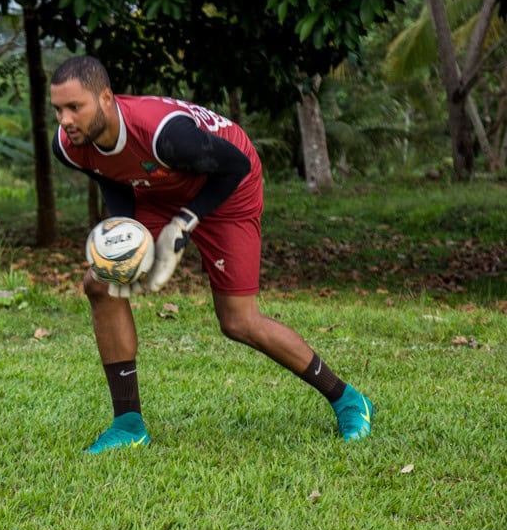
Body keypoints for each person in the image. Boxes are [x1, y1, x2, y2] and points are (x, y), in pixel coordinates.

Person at [49, 55, 374, 454]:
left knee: (238, 322)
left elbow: (234, 167)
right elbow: (109, 173)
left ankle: (347, 398)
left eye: (74, 107)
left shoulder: (164, 134)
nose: (64, 119)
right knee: (100, 283)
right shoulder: (69, 145)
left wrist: (183, 224)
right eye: (58, 109)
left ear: (104, 98)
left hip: (227, 189)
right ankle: (128, 424)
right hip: (157, 186)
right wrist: (130, 236)